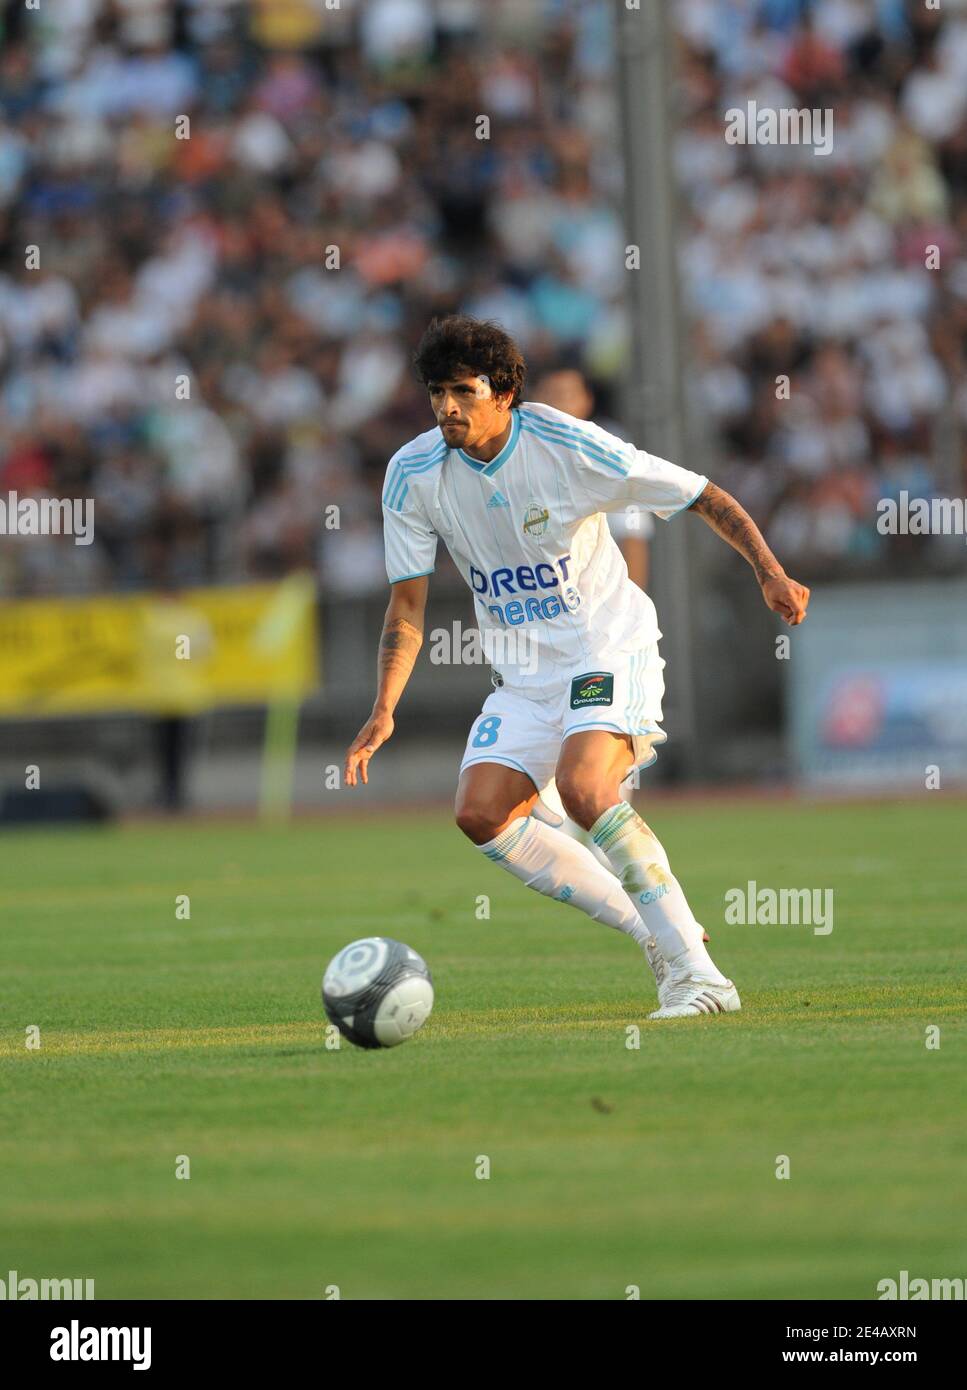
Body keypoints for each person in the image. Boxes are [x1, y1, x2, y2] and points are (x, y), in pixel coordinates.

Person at [344, 316, 809, 1018]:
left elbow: (702, 494)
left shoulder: (567, 444)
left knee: (584, 788)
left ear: (503, 393)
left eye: (462, 391)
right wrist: (384, 709)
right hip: (523, 675)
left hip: (604, 648)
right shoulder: (412, 474)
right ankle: (648, 931)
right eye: (436, 392)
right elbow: (405, 608)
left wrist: (769, 573)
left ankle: (701, 978)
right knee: (480, 814)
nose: (446, 407)